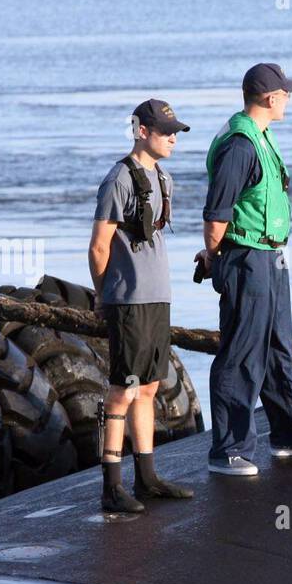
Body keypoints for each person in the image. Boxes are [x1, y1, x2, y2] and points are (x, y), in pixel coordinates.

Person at [199, 63, 292, 476]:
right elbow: (216, 215)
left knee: (279, 347)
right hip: (247, 257)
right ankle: (228, 451)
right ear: (268, 98)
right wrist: (214, 256)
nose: (289, 99)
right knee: (242, 352)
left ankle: (290, 436)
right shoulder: (241, 144)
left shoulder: (261, 137)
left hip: (271, 256)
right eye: (285, 93)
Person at [88, 99, 196, 513]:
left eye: (175, 131)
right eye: (165, 130)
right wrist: (105, 294)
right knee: (123, 390)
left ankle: (147, 476)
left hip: (158, 296)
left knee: (149, 387)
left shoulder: (163, 176)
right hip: (128, 299)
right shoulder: (118, 179)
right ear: (141, 131)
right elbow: (99, 246)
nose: (172, 137)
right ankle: (112, 485)